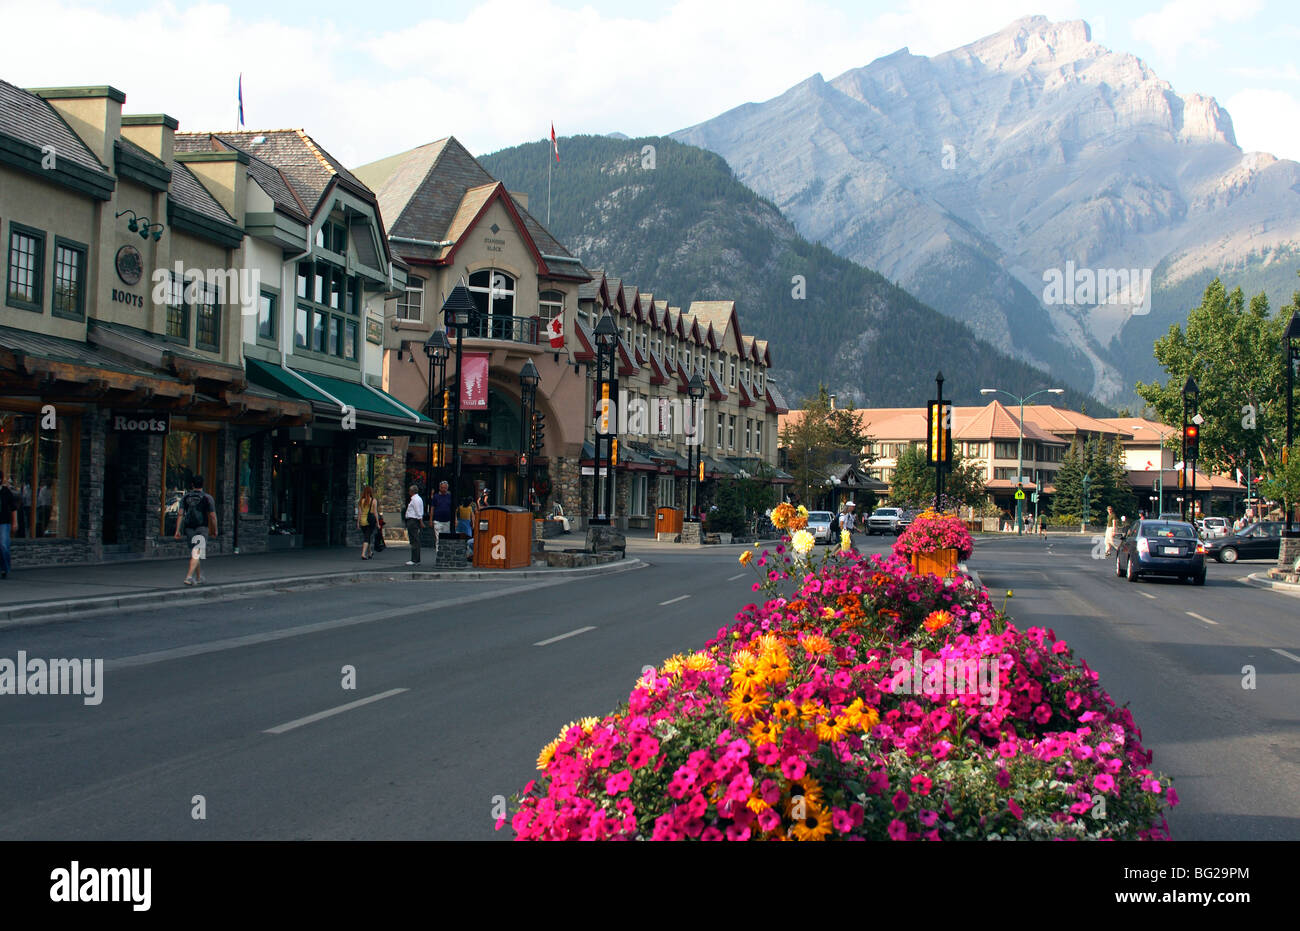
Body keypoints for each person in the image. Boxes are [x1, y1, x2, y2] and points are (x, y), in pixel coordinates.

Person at [174, 475, 217, 586]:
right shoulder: (207, 498)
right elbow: (212, 515)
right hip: (201, 527)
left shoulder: (185, 497)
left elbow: (180, 514)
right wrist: (215, 529)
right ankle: (188, 577)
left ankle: (198, 577)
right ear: (203, 484)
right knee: (197, 552)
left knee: (195, 551)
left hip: (189, 528)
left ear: (192, 485)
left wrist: (177, 530)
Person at [404, 484, 427, 566]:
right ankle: (415, 559)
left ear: (411, 491)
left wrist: (420, 521)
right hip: (413, 520)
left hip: (413, 521)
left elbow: (418, 512)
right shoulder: (417, 499)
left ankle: (415, 559)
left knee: (414, 540)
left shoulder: (415, 500)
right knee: (414, 540)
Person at [0, 471, 16, 579]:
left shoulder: (6, 492)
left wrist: (15, 522)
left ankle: (5, 568)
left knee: (3, 545)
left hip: (4, 523)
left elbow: (13, 508)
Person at [430, 480, 453, 550]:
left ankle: (445, 553)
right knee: (438, 538)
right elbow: (432, 508)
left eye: (445, 488)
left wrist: (455, 519)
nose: (444, 489)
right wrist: (431, 520)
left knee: (446, 538)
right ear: (440, 488)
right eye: (442, 488)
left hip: (447, 520)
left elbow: (453, 509)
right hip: (438, 520)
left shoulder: (450, 496)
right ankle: (438, 553)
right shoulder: (436, 497)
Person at [357, 485, 378, 560]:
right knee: (367, 537)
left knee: (367, 536)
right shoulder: (373, 501)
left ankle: (369, 552)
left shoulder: (361, 500)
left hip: (362, 521)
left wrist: (358, 522)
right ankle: (363, 554)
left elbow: (359, 513)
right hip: (370, 521)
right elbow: (375, 512)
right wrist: (378, 523)